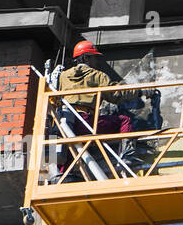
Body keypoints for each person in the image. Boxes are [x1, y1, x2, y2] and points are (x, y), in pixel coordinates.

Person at [57, 41, 153, 169]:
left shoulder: (62, 76)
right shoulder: (97, 76)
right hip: (86, 122)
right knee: (124, 121)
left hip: (64, 124)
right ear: (86, 57)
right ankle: (127, 157)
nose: (97, 62)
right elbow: (115, 94)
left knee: (66, 154)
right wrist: (140, 91)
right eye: (94, 58)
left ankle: (61, 176)